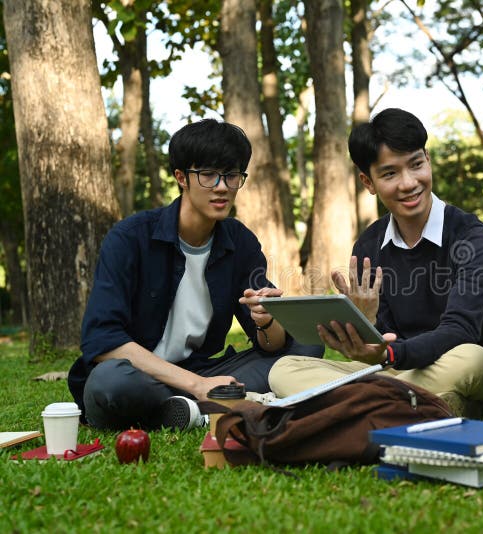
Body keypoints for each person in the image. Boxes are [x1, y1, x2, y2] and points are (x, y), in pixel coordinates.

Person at [68, 119, 320, 431]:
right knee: (111, 382)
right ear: (181, 177)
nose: (222, 187)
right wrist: (198, 384)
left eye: (231, 176)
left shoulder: (239, 241)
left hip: (203, 370)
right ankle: (208, 403)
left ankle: (184, 410)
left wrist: (267, 321)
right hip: (140, 375)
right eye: (209, 175)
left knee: (306, 347)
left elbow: (270, 346)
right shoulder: (130, 238)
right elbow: (103, 340)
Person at [268, 108, 483, 417]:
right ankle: (424, 403)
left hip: (458, 365)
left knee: (474, 359)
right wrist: (366, 324)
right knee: (285, 369)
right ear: (368, 182)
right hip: (394, 370)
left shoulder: (471, 236)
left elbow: (460, 330)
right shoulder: (369, 245)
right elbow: (377, 346)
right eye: (390, 173)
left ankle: (364, 401)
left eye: (416, 165)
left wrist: (389, 353)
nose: (409, 183)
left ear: (428, 161)